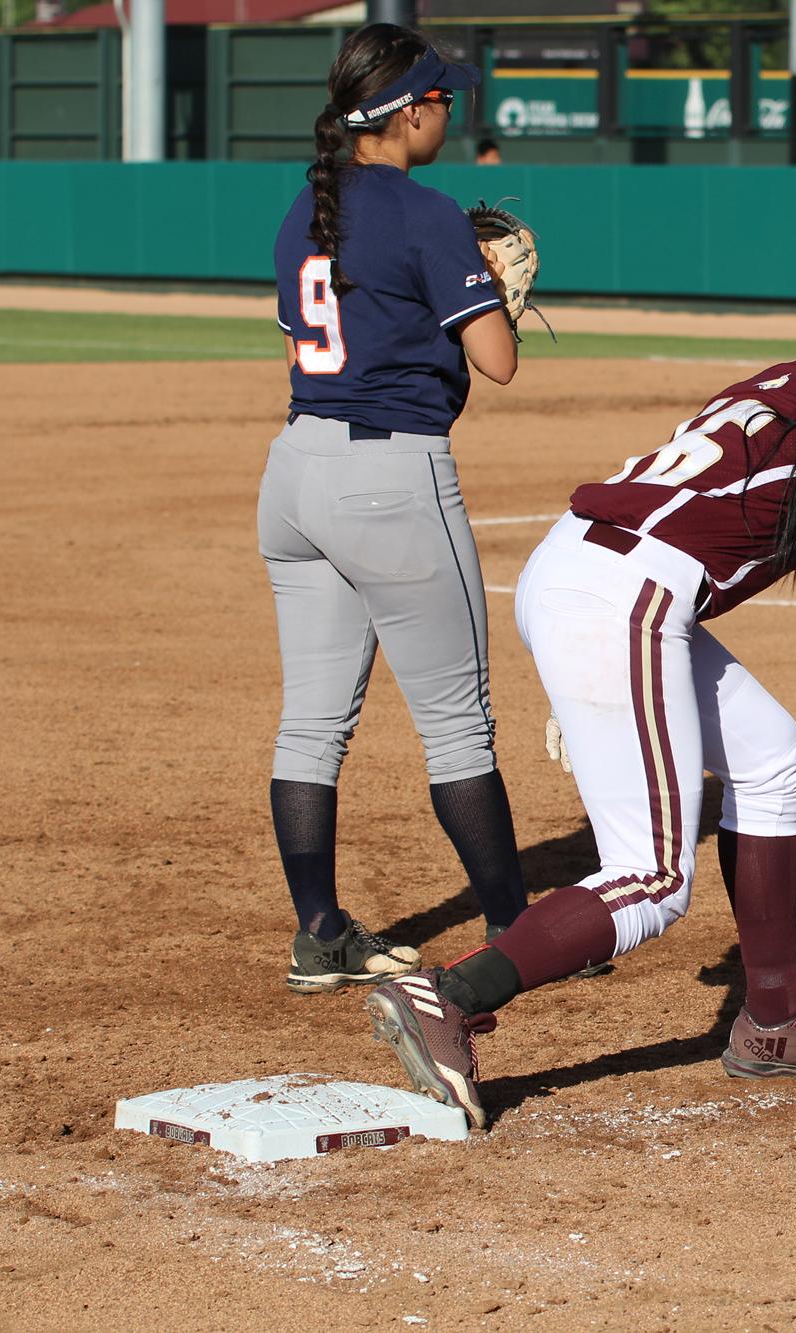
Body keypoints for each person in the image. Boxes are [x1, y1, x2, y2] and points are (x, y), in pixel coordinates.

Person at [364, 245, 796, 1128]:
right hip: (625, 599)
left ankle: (774, 1019)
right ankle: (452, 994)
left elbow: (683, 506)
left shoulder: (781, 381)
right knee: (653, 877)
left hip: (590, 572)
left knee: (771, 757)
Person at [261, 24, 532, 994]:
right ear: (407, 111)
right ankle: (513, 926)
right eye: (442, 99)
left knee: (310, 725)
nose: (450, 113)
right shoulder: (424, 213)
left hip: (293, 475)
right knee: (457, 727)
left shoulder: (308, 206)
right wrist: (488, 291)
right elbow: (495, 364)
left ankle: (320, 933)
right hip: (390, 481)